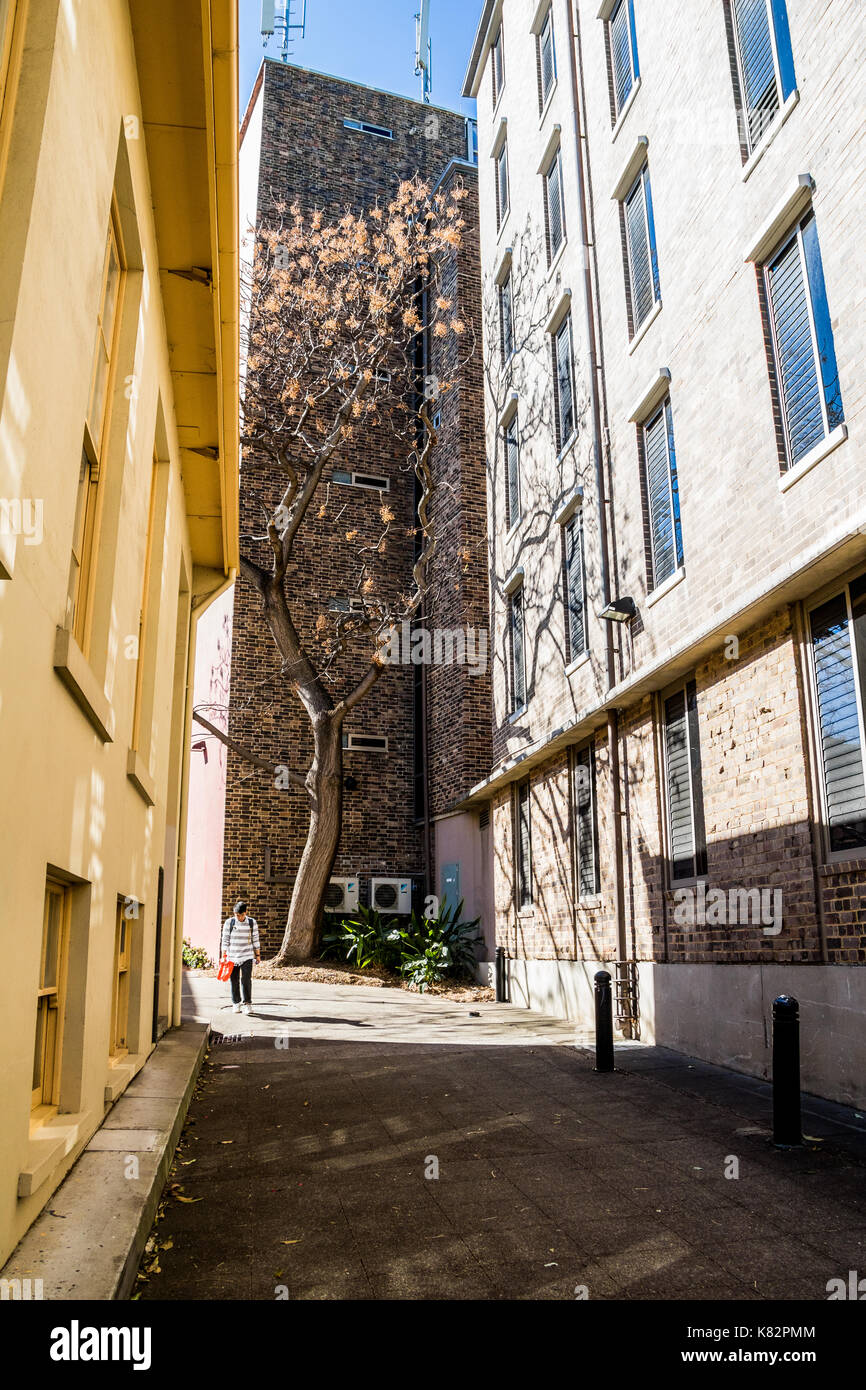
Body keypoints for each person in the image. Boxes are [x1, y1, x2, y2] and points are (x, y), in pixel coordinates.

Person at [221, 900, 261, 1015]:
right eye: (236, 915)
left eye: (239, 915)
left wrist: (257, 955)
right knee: (234, 980)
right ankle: (236, 1003)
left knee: (246, 980)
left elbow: (255, 940)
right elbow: (225, 940)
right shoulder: (229, 922)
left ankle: (248, 1004)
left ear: (245, 913)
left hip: (247, 955)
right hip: (232, 957)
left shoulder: (252, 923)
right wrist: (224, 955)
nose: (237, 917)